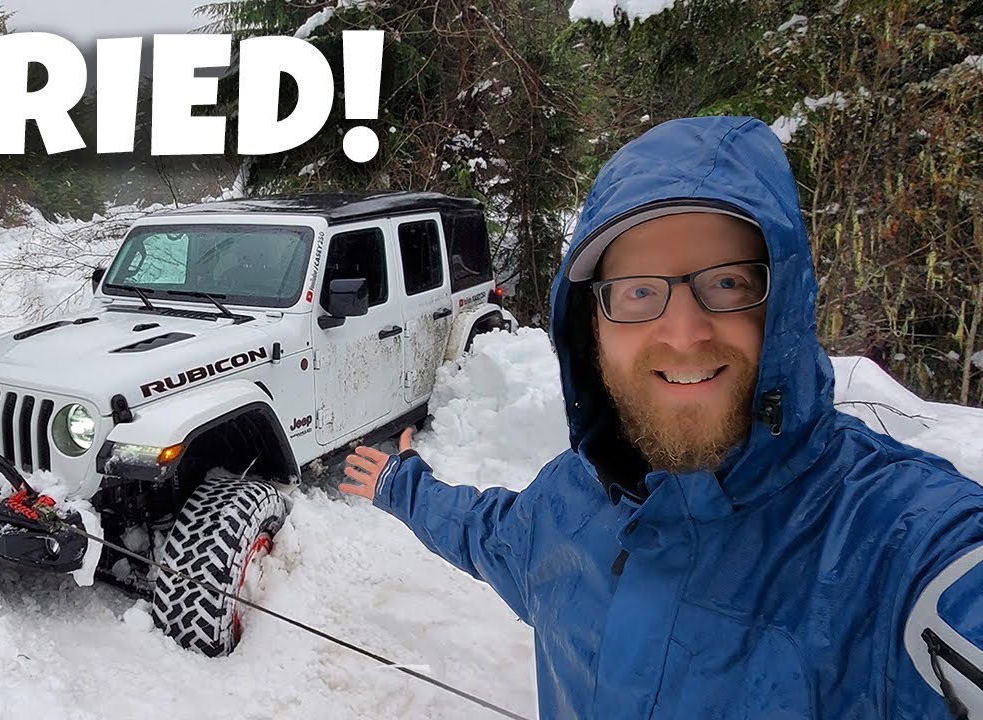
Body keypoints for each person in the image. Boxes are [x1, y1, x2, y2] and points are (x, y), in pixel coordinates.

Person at [341, 115, 983, 719]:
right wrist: (398, 484)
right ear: (592, 325)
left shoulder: (895, 545)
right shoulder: (566, 503)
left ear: (783, 302)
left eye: (728, 282)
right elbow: (487, 533)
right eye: (639, 292)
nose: (682, 333)